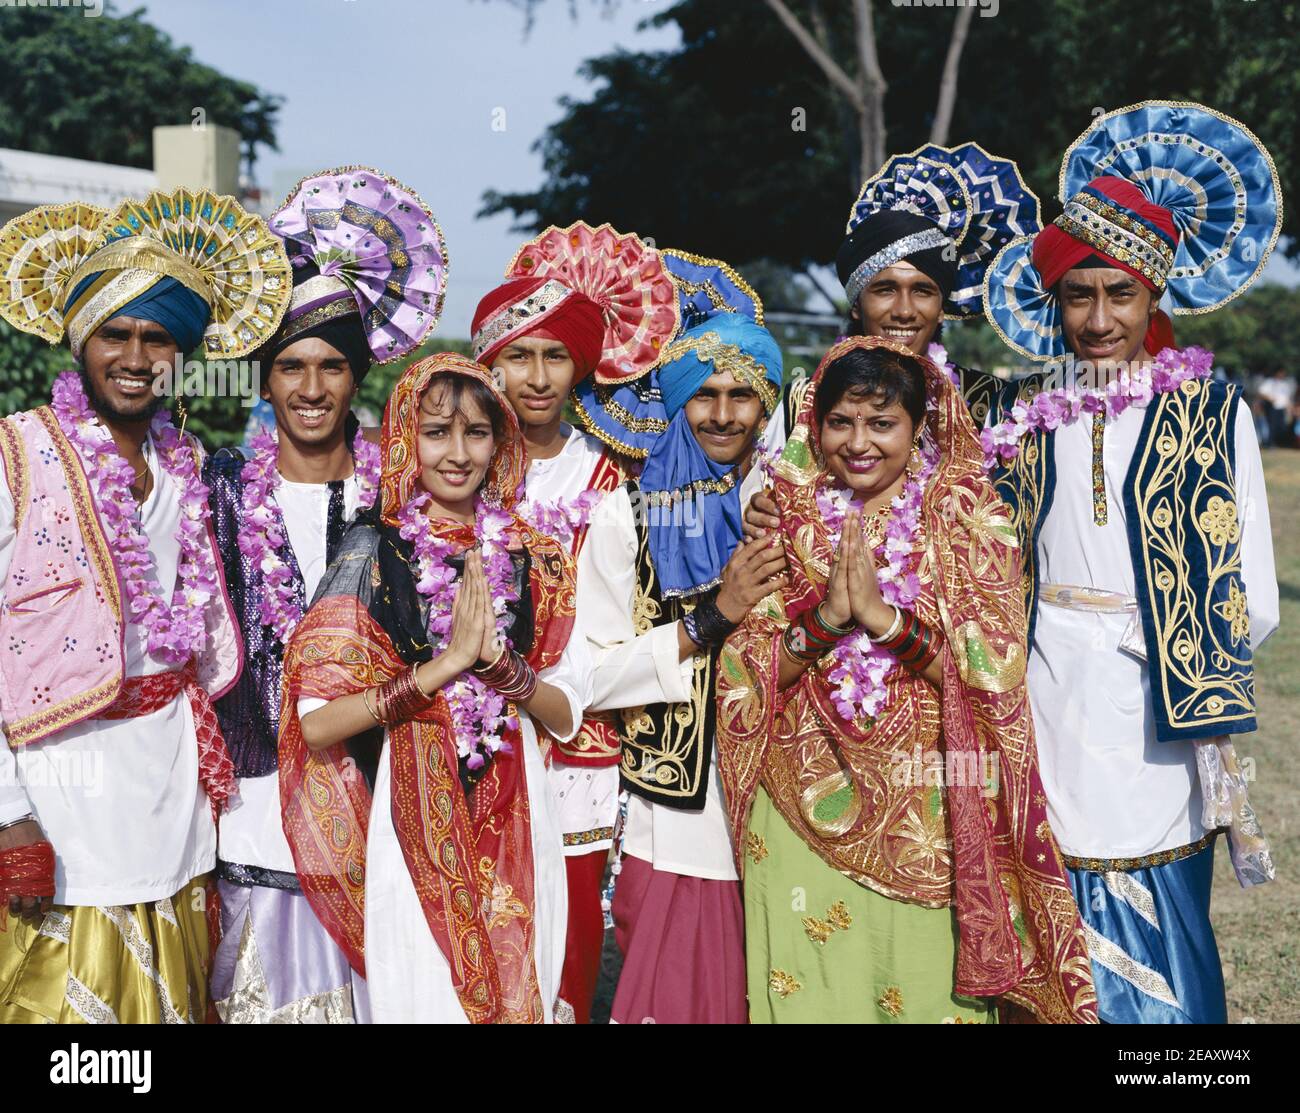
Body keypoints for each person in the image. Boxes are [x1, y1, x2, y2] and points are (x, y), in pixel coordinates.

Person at [980, 101, 1281, 1023]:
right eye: (1080, 295)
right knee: (1055, 886)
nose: (1100, 318)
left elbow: (1253, 586)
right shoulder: (1014, 413)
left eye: (1121, 294)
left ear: (1153, 297)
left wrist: (1180, 648)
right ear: (1056, 302)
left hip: (1159, 694)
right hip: (1043, 685)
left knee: (1164, 893)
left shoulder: (1208, 409)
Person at [715, 336, 1095, 1024]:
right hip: (800, 803)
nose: (858, 443)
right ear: (814, 424)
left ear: (920, 427)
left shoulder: (966, 519)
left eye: (882, 423)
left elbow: (994, 672)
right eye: (841, 421)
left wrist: (885, 622)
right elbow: (746, 671)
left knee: (921, 994)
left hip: (935, 811)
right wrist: (828, 621)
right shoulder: (782, 518)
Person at [0, 188, 290, 1022]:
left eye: (156, 337)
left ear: (180, 354)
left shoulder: (187, 463)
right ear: (79, 340)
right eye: (114, 333)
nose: (134, 354)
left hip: (172, 802)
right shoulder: (20, 452)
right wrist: (9, 813)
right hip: (57, 800)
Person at [279, 353, 591, 1023]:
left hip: (521, 815)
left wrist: (502, 670)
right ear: (403, 437)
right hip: (411, 813)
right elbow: (317, 723)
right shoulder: (373, 549)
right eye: (436, 431)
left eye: (476, 432)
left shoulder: (535, 554)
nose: (457, 453)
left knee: (524, 986)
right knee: (425, 998)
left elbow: (565, 712)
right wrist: (443, 668)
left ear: (501, 441)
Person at [204, 166, 446, 1022]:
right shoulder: (218, 492)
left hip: (386, 817)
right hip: (258, 820)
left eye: (332, 367)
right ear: (266, 379)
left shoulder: (409, 499)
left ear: (359, 378)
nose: (312, 388)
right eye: (292, 366)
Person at [469, 222, 675, 1022]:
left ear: (583, 365)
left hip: (571, 748)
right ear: (490, 362)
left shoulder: (609, 476)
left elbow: (614, 632)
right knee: (477, 945)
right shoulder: (460, 461)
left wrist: (544, 689)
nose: (537, 375)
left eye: (556, 355)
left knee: (566, 951)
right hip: (469, 744)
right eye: (519, 354)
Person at [576, 311, 786, 1023]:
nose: (723, 415)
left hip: (791, 807)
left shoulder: (794, 505)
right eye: (705, 394)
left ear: (769, 403)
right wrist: (707, 619)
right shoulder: (624, 515)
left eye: (744, 394)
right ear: (675, 399)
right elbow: (593, 677)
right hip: (681, 814)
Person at [746, 142, 1038, 524]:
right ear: (856, 303)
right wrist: (760, 512)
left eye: (922, 291)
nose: (903, 311)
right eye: (885, 290)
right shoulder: (804, 401)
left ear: (941, 307)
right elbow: (765, 504)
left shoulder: (988, 404)